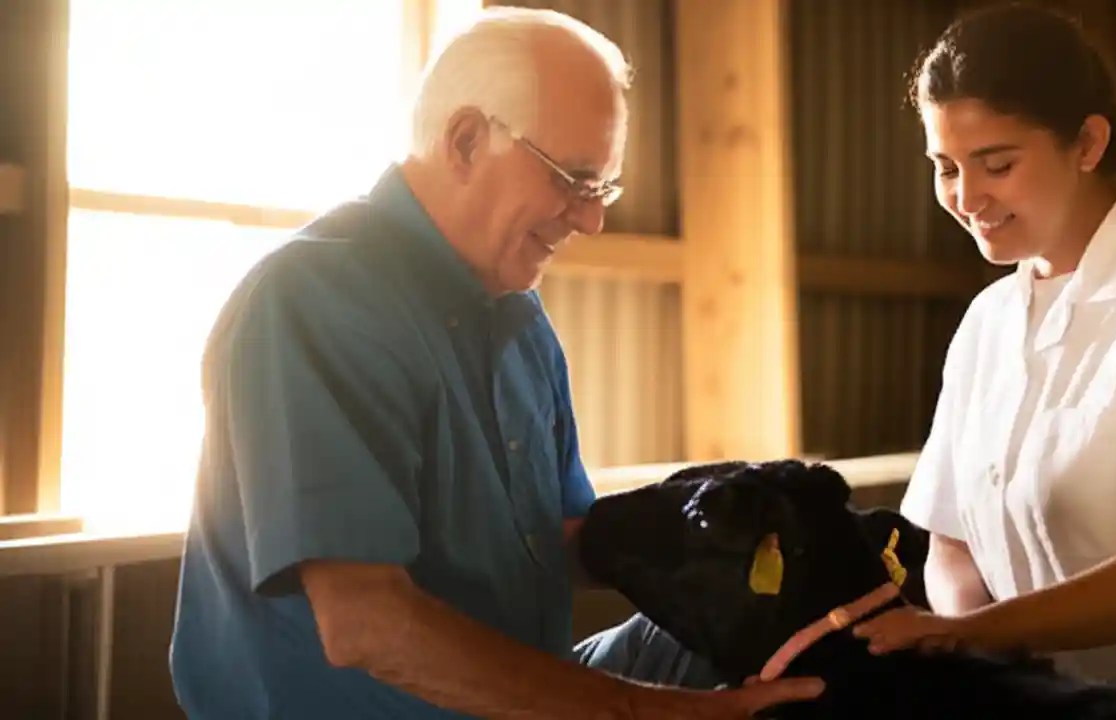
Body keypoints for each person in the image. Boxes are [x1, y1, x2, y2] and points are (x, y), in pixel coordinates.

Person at [168, 7, 823, 719]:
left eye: (601, 188)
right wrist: (641, 713)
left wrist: (718, 526)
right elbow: (365, 625)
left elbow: (566, 541)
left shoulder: (520, 320)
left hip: (523, 690)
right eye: (572, 179)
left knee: (792, 651)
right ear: (466, 140)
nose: (591, 219)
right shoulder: (315, 304)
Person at [759, 2, 1116, 696]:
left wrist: (979, 635)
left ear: (1088, 144)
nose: (967, 196)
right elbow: (950, 546)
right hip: (1038, 696)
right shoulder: (989, 322)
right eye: (945, 167)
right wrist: (979, 658)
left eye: (996, 163)